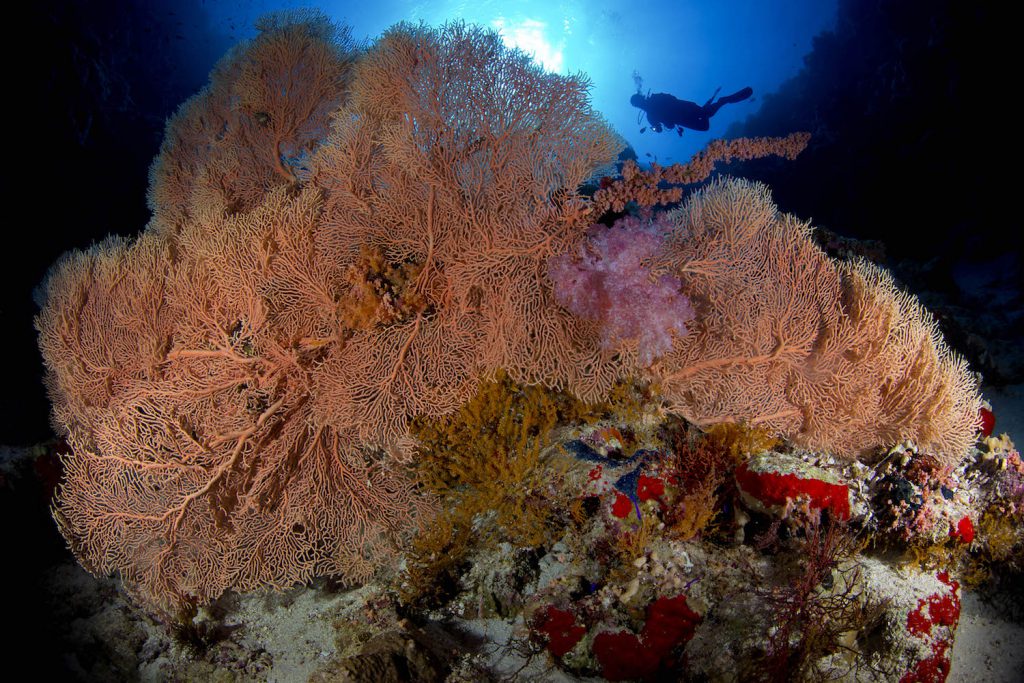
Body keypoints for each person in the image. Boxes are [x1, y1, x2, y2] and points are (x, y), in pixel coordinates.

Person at [630, 86, 753, 135]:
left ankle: (720, 102)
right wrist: (657, 127)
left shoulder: (651, 114)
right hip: (685, 114)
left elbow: (664, 127)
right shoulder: (651, 115)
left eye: (638, 104)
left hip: (685, 112)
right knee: (705, 123)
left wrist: (656, 127)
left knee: (705, 120)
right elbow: (662, 128)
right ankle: (718, 103)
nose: (640, 105)